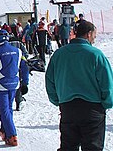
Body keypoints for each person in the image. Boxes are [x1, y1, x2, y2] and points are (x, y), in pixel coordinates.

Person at [45, 21, 113, 151]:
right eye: (94, 34)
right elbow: (107, 83)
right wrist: (107, 103)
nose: (94, 38)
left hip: (68, 107)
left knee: (68, 146)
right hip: (92, 108)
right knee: (92, 147)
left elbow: (50, 80)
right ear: (88, 34)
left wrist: (57, 100)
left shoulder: (59, 54)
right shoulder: (95, 54)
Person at [0, 29, 29, 146]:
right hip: (14, 84)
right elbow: (25, 67)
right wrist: (25, 82)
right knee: (8, 109)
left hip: (1, 85)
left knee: (4, 111)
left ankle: (12, 135)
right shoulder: (18, 51)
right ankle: (4, 131)